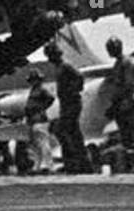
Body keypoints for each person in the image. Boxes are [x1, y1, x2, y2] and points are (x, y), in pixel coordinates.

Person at [45, 40, 90, 173]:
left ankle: (76, 163)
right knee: (71, 133)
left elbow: (79, 77)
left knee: (67, 132)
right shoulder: (60, 67)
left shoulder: (65, 66)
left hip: (71, 103)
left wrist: (72, 91)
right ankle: (75, 163)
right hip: (66, 104)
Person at [103, 36, 134, 154]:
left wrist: (120, 100)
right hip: (120, 102)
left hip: (126, 102)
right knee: (125, 134)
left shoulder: (126, 62)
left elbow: (128, 84)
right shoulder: (118, 63)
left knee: (131, 133)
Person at [24, 69, 55, 173]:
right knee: (36, 144)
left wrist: (41, 108)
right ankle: (38, 165)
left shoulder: (42, 90)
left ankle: (48, 165)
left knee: (43, 143)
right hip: (33, 120)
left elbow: (51, 98)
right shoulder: (34, 90)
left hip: (39, 119)